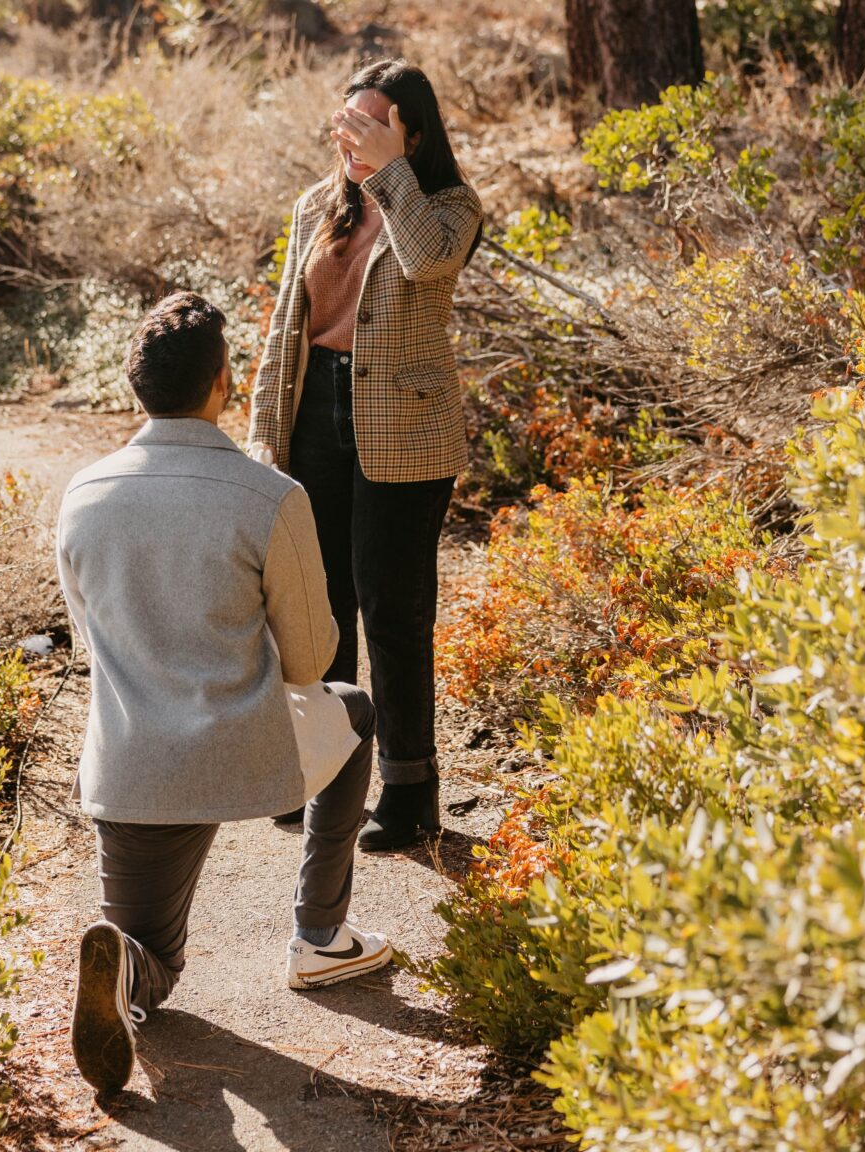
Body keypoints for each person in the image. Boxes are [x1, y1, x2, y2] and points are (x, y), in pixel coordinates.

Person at [57, 292, 392, 1098]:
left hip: (133, 765)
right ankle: (319, 935)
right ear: (224, 383)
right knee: (353, 708)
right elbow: (311, 662)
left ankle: (128, 971)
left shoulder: (81, 495)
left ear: (135, 386)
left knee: (150, 956)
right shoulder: (269, 495)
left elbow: (87, 647)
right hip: (248, 749)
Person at [247, 58, 484, 850]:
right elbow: (287, 326)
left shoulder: (448, 206)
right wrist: (264, 432)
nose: (350, 138)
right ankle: (323, 777)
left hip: (406, 435)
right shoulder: (317, 205)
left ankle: (411, 792)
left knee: (394, 610)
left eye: (370, 124)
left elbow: (428, 263)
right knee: (318, 610)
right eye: (345, 123)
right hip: (317, 409)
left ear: (411, 132)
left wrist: (389, 176)